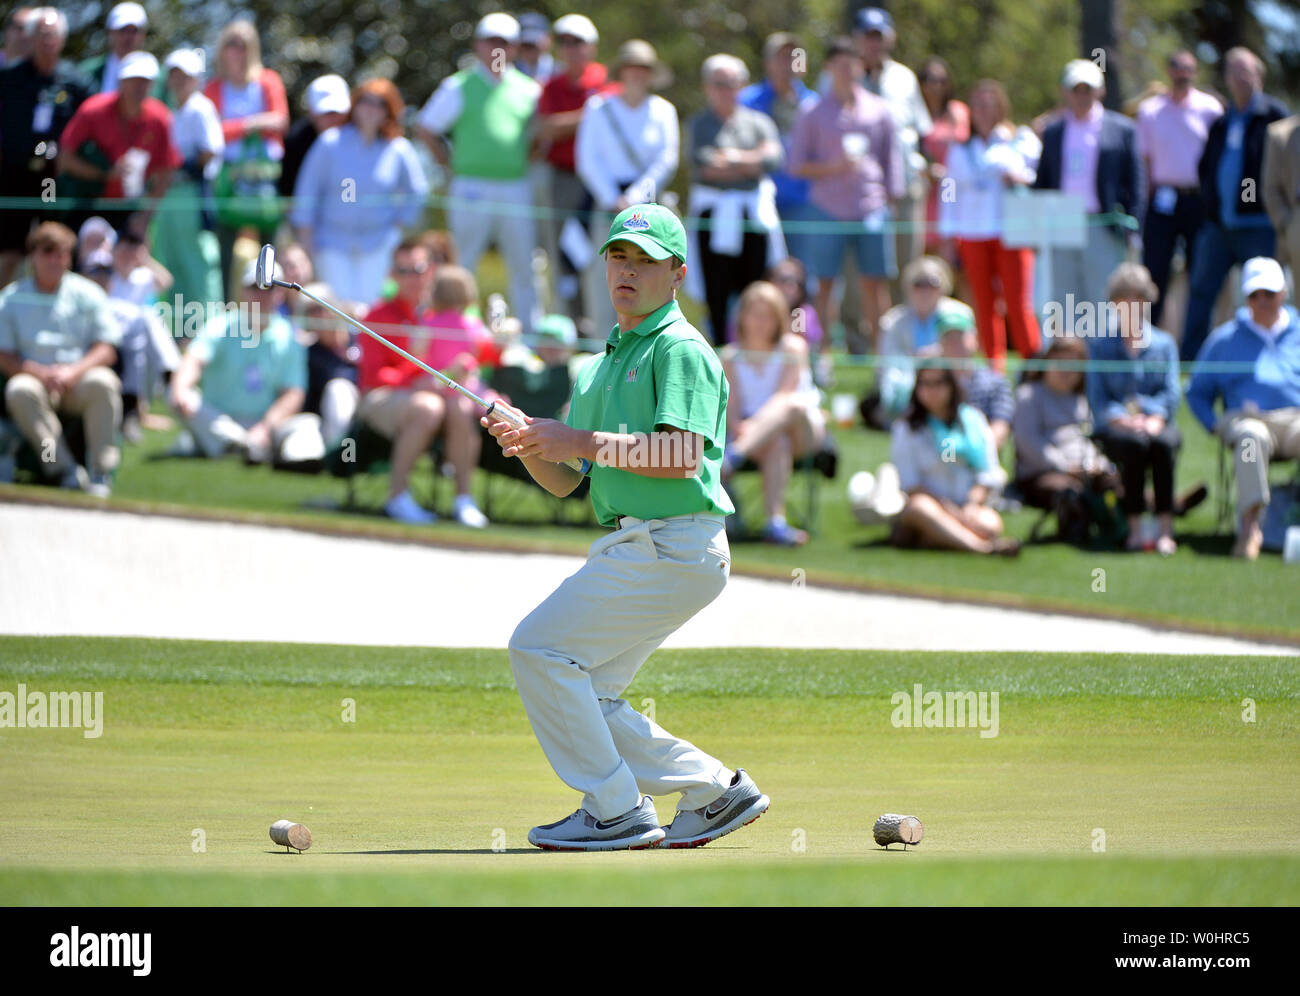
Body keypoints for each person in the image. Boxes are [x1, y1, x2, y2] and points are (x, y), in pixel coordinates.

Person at [481, 203, 767, 851]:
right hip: (639, 544)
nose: (628, 271)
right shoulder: (599, 363)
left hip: (673, 540)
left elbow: (680, 455)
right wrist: (529, 445)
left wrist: (572, 437)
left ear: (677, 274)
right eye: (619, 256)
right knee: (593, 692)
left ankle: (614, 809)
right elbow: (570, 478)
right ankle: (715, 791)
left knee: (539, 649)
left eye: (645, 260)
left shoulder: (680, 348)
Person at [416, 12, 541, 333]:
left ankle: (528, 337)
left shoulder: (529, 89)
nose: (497, 49)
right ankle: (459, 333)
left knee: (524, 266)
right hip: (470, 185)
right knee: (463, 264)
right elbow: (426, 128)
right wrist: (448, 163)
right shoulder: (458, 86)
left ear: (515, 47)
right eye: (491, 41)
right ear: (478, 45)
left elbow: (539, 137)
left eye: (505, 42)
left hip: (516, 185)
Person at [788, 36, 902, 355]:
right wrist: (833, 167)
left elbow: (891, 160)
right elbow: (795, 165)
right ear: (828, 68)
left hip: (871, 207)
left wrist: (891, 198)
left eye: (852, 64)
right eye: (840, 64)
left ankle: (883, 357)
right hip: (826, 208)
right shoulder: (812, 112)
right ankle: (822, 356)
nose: (847, 70)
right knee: (823, 283)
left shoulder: (879, 110)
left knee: (875, 282)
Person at [1187, 256, 1300, 560]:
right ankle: (1251, 528)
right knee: (1251, 437)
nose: (1262, 301)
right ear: (1246, 298)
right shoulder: (1224, 339)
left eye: (1269, 293)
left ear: (1284, 293)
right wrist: (1214, 424)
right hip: (1246, 419)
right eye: (1254, 295)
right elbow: (1197, 392)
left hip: (1294, 420)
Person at [1182, 47, 1288, 364]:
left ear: (1259, 76)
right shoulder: (1221, 121)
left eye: (1248, 72)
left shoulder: (1273, 116)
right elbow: (1206, 168)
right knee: (1201, 292)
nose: (1241, 79)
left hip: (1259, 228)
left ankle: (1267, 358)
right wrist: (1210, 205)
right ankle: (1192, 361)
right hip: (1219, 226)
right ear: (1227, 78)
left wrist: (1269, 210)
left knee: (1263, 295)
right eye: (1235, 72)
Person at [0, 222, 122, 497]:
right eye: (48, 252)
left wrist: (73, 372)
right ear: (34, 256)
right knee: (19, 389)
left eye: (63, 253)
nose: (56, 260)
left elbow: (107, 348)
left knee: (104, 381)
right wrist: (40, 373)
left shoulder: (88, 293)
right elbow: (4, 354)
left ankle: (101, 473)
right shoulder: (11, 298)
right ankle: (64, 470)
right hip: (35, 381)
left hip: (76, 381)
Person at [168, 258, 323, 465]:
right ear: (243, 291)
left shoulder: (289, 338)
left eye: (268, 288)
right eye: (255, 288)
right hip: (219, 419)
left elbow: (293, 393)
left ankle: (266, 451)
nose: (261, 295)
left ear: (280, 294)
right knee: (179, 394)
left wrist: (265, 428)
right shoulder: (221, 325)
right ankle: (242, 445)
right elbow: (193, 362)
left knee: (307, 425)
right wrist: (181, 389)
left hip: (264, 424)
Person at [290, 78, 428, 308]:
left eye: (379, 104)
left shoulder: (397, 148)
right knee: (337, 309)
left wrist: (399, 227)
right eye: (366, 102)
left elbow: (418, 190)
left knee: (369, 308)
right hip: (331, 243)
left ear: (389, 110)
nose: (371, 109)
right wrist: (306, 238)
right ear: (355, 105)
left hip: (377, 245)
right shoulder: (330, 142)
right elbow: (307, 191)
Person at [575, 39, 679, 338]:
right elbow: (587, 159)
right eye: (632, 68)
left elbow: (666, 160)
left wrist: (635, 198)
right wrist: (612, 198)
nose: (637, 74)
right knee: (604, 276)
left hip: (650, 204)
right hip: (607, 203)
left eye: (643, 69)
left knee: (654, 274)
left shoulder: (663, 110)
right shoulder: (598, 107)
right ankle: (602, 346)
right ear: (621, 71)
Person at [940, 78, 1042, 371]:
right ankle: (992, 369)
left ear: (1000, 107)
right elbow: (950, 192)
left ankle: (1032, 367)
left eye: (990, 104)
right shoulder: (960, 150)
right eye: (979, 105)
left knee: (1018, 303)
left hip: (1012, 233)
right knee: (984, 305)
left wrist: (1013, 170)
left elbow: (1035, 174)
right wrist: (948, 235)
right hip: (972, 233)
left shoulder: (1017, 140)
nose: (984, 111)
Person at [685, 54, 786, 344]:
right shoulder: (699, 124)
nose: (726, 90)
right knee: (715, 289)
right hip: (713, 215)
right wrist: (750, 164)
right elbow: (704, 165)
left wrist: (731, 160)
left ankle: (753, 347)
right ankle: (720, 348)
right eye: (719, 84)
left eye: (732, 83)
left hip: (751, 215)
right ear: (707, 86)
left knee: (754, 288)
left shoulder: (758, 121)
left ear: (742, 85)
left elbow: (773, 159)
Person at [719, 279, 825, 546]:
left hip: (802, 430)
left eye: (767, 315)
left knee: (791, 404)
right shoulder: (730, 356)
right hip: (755, 437)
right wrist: (749, 429)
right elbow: (731, 413)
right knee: (777, 441)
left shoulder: (793, 348)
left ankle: (730, 460)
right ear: (742, 317)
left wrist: (750, 429)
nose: (760, 322)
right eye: (754, 314)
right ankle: (775, 523)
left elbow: (785, 394)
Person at [1087, 263, 1183, 554]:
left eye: (1138, 297)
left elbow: (1171, 392)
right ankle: (1135, 528)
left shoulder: (1164, 344)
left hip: (1156, 423)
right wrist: (1124, 420)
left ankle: (1166, 528)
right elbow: (1098, 400)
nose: (1132, 304)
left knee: (1164, 444)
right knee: (1134, 446)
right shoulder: (1101, 346)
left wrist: (1154, 418)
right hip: (1117, 428)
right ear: (1114, 303)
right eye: (1124, 298)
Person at [1033, 59, 1142, 310]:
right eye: (1076, 90)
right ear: (1065, 92)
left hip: (1103, 224)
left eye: (1088, 90)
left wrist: (1133, 227)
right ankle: (1070, 350)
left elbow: (1136, 182)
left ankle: (1102, 350)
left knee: (1103, 299)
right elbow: (1044, 182)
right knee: (1066, 300)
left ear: (1100, 91)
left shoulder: (1122, 129)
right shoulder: (1054, 132)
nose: (1082, 96)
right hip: (1063, 223)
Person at [0, 8, 91, 289]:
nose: (46, 41)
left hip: (50, 179)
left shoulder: (75, 82)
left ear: (61, 39)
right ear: (30, 38)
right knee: (9, 250)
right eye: (40, 34)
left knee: (53, 242)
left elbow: (92, 126)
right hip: (13, 176)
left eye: (51, 35)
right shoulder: (9, 78)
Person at [890, 361, 1016, 555]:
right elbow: (910, 484)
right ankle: (981, 548)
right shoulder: (907, 428)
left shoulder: (971, 420)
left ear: (951, 386)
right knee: (920, 508)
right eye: (925, 383)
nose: (931, 390)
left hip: (967, 504)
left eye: (938, 383)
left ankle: (938, 538)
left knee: (990, 525)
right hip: (931, 505)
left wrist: (971, 504)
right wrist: (948, 508)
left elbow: (989, 472)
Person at [1135, 51, 1223, 327]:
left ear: (1194, 73)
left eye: (1188, 69)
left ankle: (1195, 343)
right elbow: (1145, 162)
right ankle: (1147, 339)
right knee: (1155, 271)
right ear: (1168, 71)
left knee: (1199, 273)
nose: (1183, 74)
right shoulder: (1150, 111)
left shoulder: (1210, 109)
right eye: (1177, 68)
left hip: (1198, 201)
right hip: (1161, 201)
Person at [534, 14, 613, 322]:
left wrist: (572, 120)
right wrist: (592, 113)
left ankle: (603, 324)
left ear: (591, 47)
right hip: (565, 179)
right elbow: (547, 129)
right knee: (565, 254)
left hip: (602, 183)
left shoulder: (607, 82)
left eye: (577, 42)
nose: (571, 49)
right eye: (564, 42)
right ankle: (573, 323)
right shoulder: (552, 86)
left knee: (604, 252)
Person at [204, 19, 290, 296]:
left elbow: (280, 121)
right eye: (231, 44)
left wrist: (236, 127)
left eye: (243, 45)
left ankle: (272, 301)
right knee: (224, 248)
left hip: (264, 176)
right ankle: (226, 305)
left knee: (270, 249)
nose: (237, 51)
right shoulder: (215, 87)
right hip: (228, 177)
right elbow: (212, 132)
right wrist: (252, 124)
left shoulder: (268, 80)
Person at [57, 51, 179, 236]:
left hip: (131, 208)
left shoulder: (160, 118)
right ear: (121, 81)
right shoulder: (93, 110)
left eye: (145, 81)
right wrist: (104, 174)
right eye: (133, 80)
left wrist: (145, 218)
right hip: (87, 202)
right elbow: (65, 157)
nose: (139, 87)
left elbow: (165, 171)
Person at [1012, 336, 1120, 542]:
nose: (1066, 371)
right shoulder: (1029, 396)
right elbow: (1028, 443)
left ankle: (1162, 507)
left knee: (1114, 480)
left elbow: (1090, 439)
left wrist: (1097, 464)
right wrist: (1065, 466)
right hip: (1039, 473)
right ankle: (1076, 534)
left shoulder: (1083, 399)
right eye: (1060, 362)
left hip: (1084, 467)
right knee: (1070, 490)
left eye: (1073, 365)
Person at [853, 7, 931, 278]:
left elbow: (921, 130)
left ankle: (906, 320)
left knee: (907, 263)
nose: (873, 44)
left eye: (879, 36)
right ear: (856, 39)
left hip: (906, 186)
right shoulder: (840, 77)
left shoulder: (904, 78)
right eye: (867, 36)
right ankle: (858, 322)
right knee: (861, 270)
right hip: (858, 191)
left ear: (890, 39)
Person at [421, 264, 496, 528]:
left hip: (448, 390)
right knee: (467, 410)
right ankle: (462, 492)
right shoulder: (471, 325)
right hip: (452, 392)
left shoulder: (428, 322)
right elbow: (488, 351)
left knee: (467, 408)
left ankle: (455, 476)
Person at [151, 48, 224, 313]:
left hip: (192, 193)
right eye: (175, 75)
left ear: (195, 79)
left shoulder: (201, 108)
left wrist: (177, 165)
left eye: (186, 75)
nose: (180, 81)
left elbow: (209, 152)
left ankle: (207, 324)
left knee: (198, 263)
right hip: (169, 193)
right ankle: (178, 329)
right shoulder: (168, 109)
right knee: (170, 260)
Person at [739, 32, 819, 267]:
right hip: (758, 199)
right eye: (781, 57)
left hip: (803, 200)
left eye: (794, 56)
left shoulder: (814, 103)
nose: (788, 63)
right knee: (759, 269)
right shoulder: (747, 100)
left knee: (803, 271)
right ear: (767, 63)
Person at [868, 257, 964, 427]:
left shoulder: (959, 315)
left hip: (948, 381)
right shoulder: (892, 321)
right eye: (919, 284)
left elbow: (964, 356)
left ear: (944, 286)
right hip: (906, 384)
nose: (925, 290)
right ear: (908, 287)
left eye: (932, 283)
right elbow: (886, 364)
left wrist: (934, 356)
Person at [923, 305, 1014, 452]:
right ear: (940, 342)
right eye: (948, 337)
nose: (954, 342)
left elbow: (1000, 428)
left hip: (979, 464)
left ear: (975, 339)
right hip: (933, 464)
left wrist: (967, 451)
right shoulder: (927, 382)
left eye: (960, 335)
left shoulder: (996, 383)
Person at [294, 283, 359, 449]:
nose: (319, 315)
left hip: (362, 409)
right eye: (311, 311)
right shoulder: (308, 354)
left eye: (321, 307)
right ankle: (337, 454)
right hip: (325, 420)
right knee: (338, 390)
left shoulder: (359, 341)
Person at [918, 56, 968, 261]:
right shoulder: (917, 113)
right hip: (926, 188)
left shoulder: (958, 111)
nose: (936, 86)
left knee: (952, 241)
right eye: (931, 79)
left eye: (941, 80)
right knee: (927, 242)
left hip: (952, 186)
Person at [278, 74, 350, 205]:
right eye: (326, 113)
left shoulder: (360, 139)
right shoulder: (295, 142)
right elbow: (288, 192)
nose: (333, 119)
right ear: (311, 113)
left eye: (337, 112)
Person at [79, 2, 147, 94]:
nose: (128, 37)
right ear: (110, 32)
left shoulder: (159, 78)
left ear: (143, 34)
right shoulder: (88, 72)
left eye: (134, 31)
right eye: (122, 30)